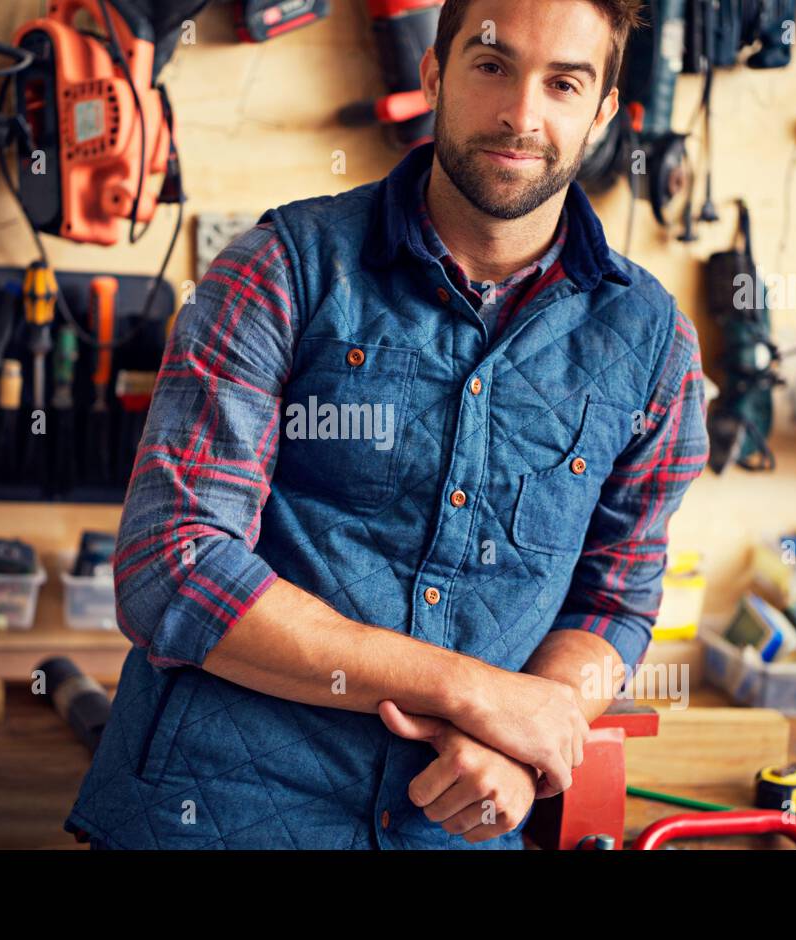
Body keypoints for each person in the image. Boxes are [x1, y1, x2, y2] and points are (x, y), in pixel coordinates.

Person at [69, 0, 708, 850]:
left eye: (563, 83)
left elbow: (616, 597)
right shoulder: (280, 270)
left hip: (455, 825)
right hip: (214, 810)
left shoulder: (653, 344)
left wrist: (538, 727)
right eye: (491, 66)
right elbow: (173, 568)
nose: (523, 114)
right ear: (435, 76)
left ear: (602, 111)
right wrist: (473, 694)